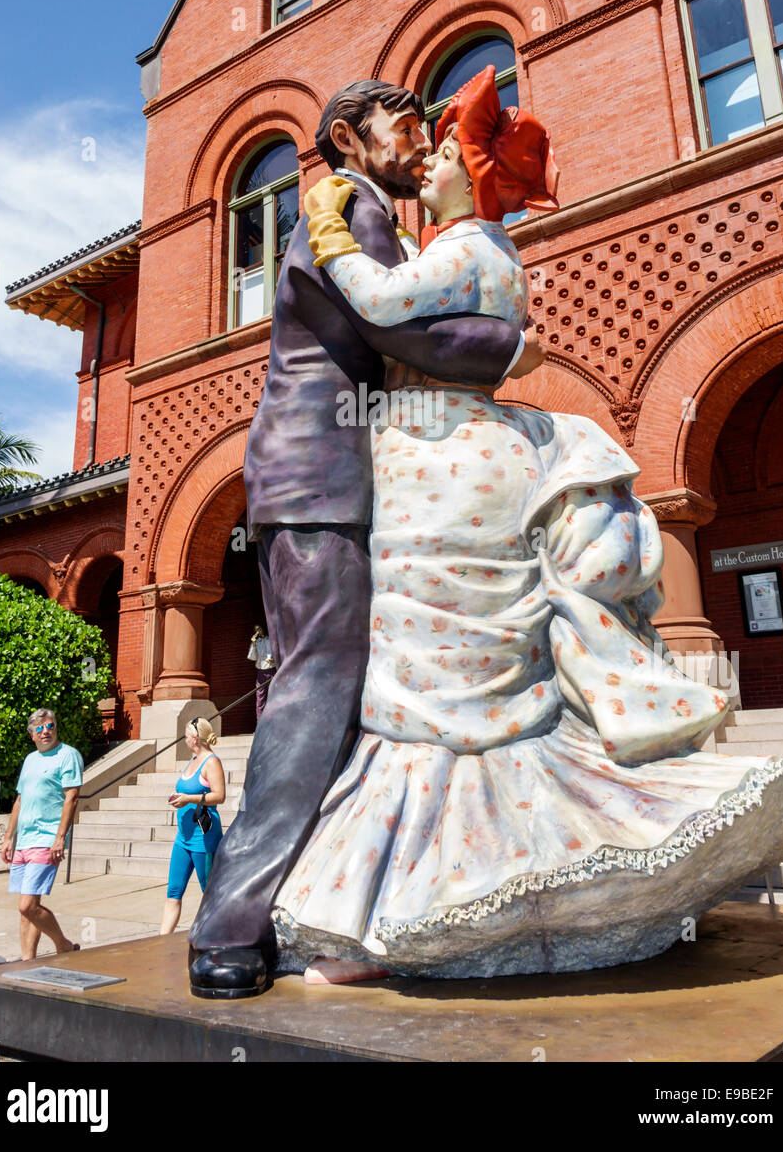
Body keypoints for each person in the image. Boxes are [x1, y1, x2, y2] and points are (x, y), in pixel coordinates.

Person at [269, 66, 783, 979]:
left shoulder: (460, 248)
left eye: (444, 149)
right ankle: (457, 902)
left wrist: (326, 227)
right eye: (420, 137)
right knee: (454, 681)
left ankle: (415, 908)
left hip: (442, 465)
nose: (430, 157)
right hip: (439, 454)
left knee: (431, 685)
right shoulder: (468, 248)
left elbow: (376, 307)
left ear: (471, 178)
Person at [188, 78, 546, 999]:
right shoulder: (349, 207)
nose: (420, 137)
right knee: (314, 689)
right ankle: (228, 930)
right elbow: (402, 328)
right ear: (348, 136)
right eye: (402, 122)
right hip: (320, 479)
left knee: (348, 696)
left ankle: (316, 907)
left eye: (428, 123)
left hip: (336, 479)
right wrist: (510, 345)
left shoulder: (363, 211)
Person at [1, 709, 82, 961]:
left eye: (50, 726)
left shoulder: (68, 756)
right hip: (24, 840)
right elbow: (20, 799)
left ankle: (63, 943)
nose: (45, 731)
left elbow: (72, 796)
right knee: (27, 908)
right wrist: (8, 837)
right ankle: (28, 961)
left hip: (46, 838)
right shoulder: (30, 760)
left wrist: (60, 837)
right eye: (39, 728)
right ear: (32, 735)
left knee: (27, 905)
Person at [160, 718, 225, 935]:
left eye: (186, 736)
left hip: (203, 839)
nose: (185, 739)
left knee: (210, 892)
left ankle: (220, 937)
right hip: (183, 838)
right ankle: (161, 940)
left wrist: (189, 799)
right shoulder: (193, 759)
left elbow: (219, 795)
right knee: (173, 891)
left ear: (195, 738)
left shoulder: (211, 762)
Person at [247, 624, 276, 720]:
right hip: (261, 672)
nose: (258, 631)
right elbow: (252, 657)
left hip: (272, 671)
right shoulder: (257, 643)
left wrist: (274, 660)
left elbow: (278, 652)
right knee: (260, 699)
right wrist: (253, 644)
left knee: (274, 697)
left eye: (259, 628)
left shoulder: (271, 640)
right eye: (256, 630)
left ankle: (273, 722)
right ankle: (260, 723)